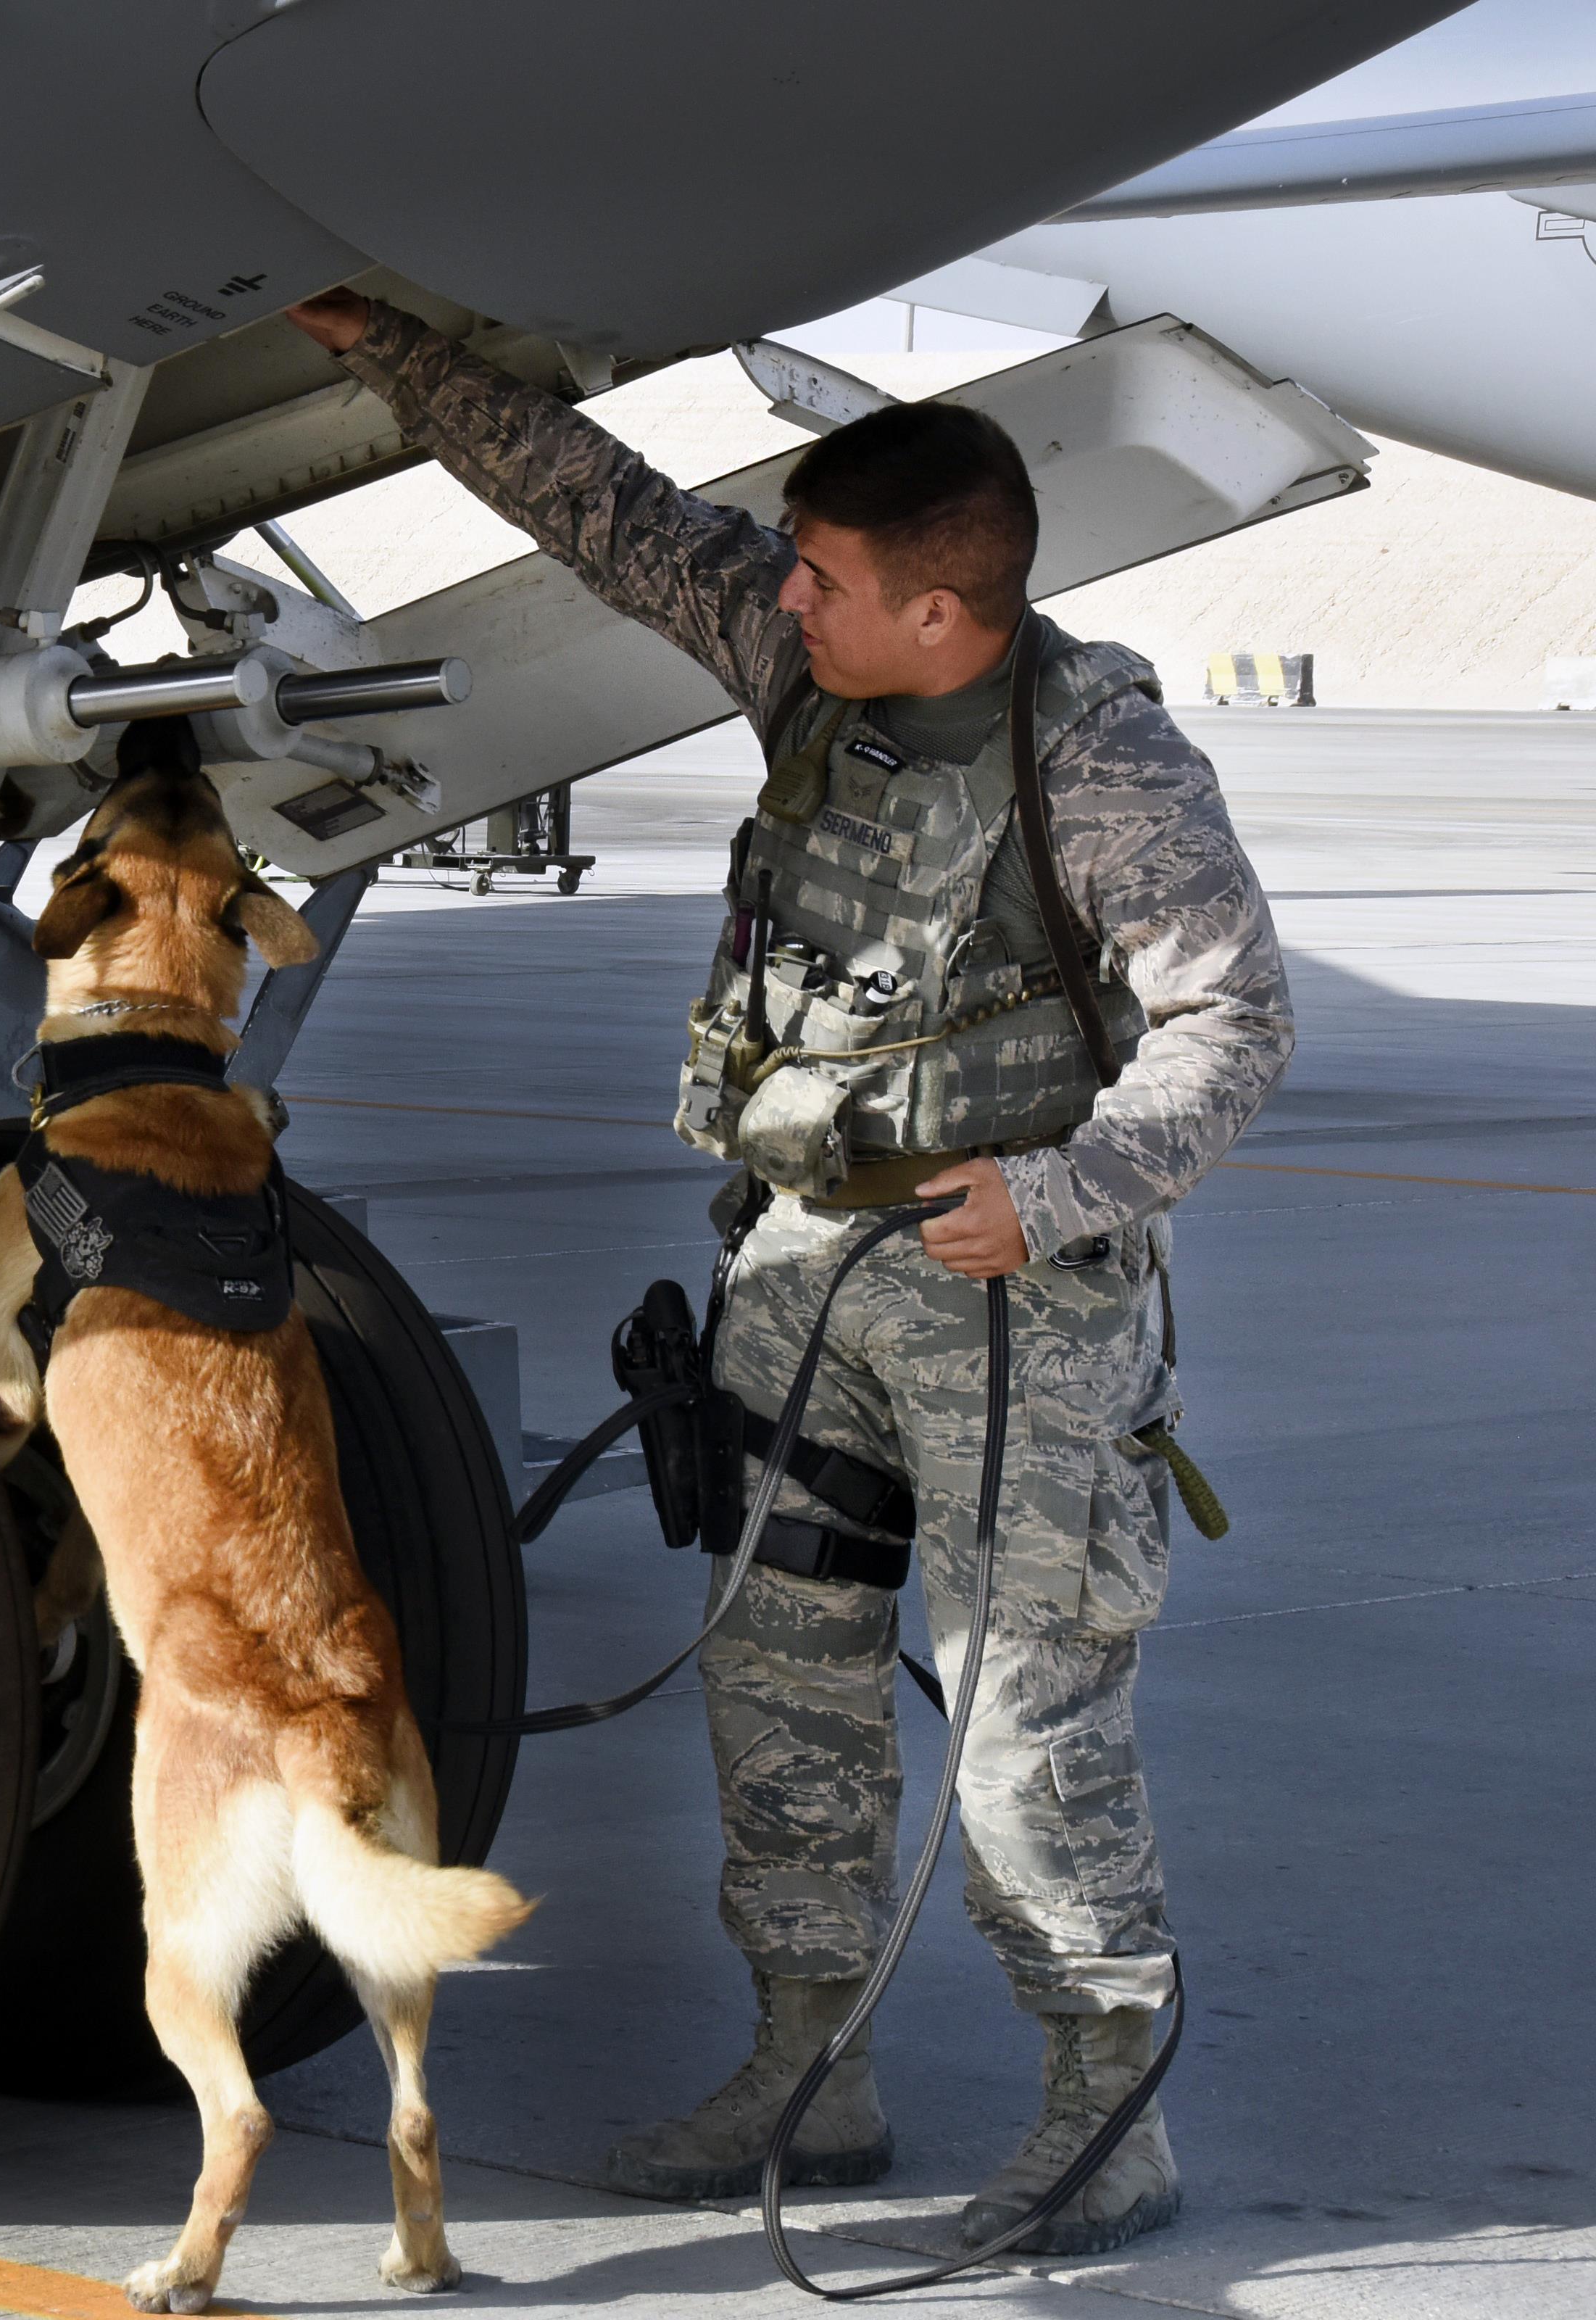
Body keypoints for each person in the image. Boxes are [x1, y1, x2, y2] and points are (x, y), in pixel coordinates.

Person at [281, 286, 1294, 2257]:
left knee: (1025, 1731)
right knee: (781, 1692)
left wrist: (1060, 1189)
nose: (784, 599)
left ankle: (1109, 2109)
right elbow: (606, 512)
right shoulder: (807, 669)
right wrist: (396, 358)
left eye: (824, 578)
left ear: (944, 607)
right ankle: (812, 2072)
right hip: (801, 1274)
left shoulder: (1107, 767)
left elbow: (1233, 1025)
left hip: (1020, 1308)